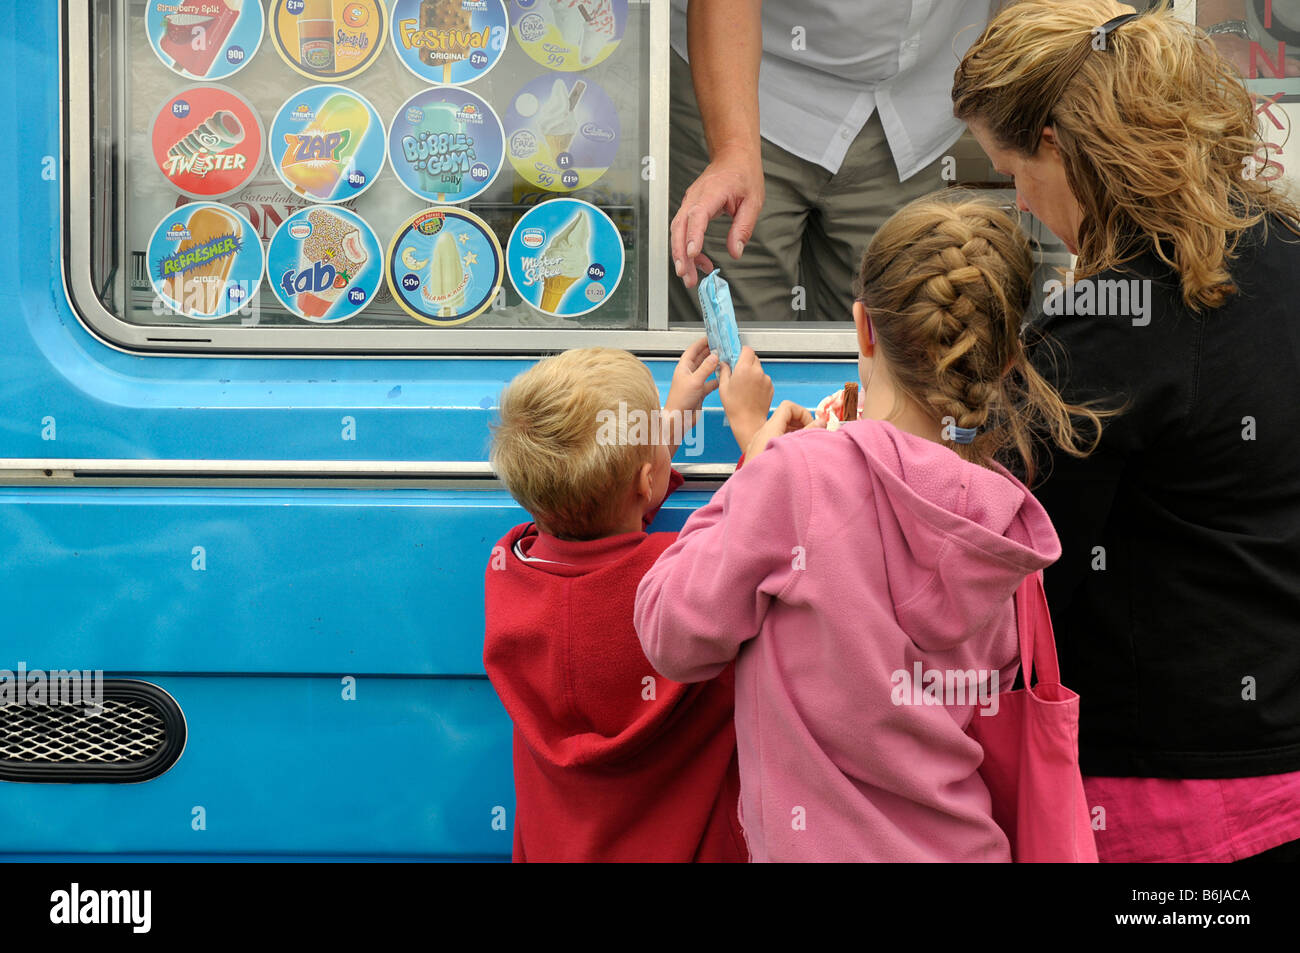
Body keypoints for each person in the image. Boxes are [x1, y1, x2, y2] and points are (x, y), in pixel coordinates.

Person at [634, 194, 1105, 861]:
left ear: (864, 329)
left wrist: (758, 467)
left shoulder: (796, 477)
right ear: (1005, 362)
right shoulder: (1003, 517)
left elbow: (669, 633)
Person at [953, 0, 1300, 862]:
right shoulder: (1287, 246)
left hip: (1172, 795)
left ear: (1061, 150)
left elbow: (1009, 568)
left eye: (1013, 174)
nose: (1025, 208)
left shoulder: (1106, 333)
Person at [482, 342, 747, 862]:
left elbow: (592, 541)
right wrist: (757, 441)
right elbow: (752, 529)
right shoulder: (684, 581)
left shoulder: (509, 573)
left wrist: (656, 435)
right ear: (647, 481)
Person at [668, 0, 995, 324]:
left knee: (892, 339)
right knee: (734, 345)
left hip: (918, 101)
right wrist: (731, 149)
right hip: (751, 86)